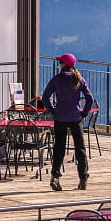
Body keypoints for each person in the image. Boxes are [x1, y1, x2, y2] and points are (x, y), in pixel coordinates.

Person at [39, 52, 96, 192]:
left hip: (60, 118)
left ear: (64, 64)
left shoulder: (56, 79)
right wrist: (83, 113)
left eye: (60, 62)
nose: (59, 64)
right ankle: (83, 178)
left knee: (59, 148)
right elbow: (90, 99)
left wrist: (52, 110)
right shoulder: (79, 79)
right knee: (80, 149)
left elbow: (45, 96)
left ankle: (55, 177)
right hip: (76, 118)